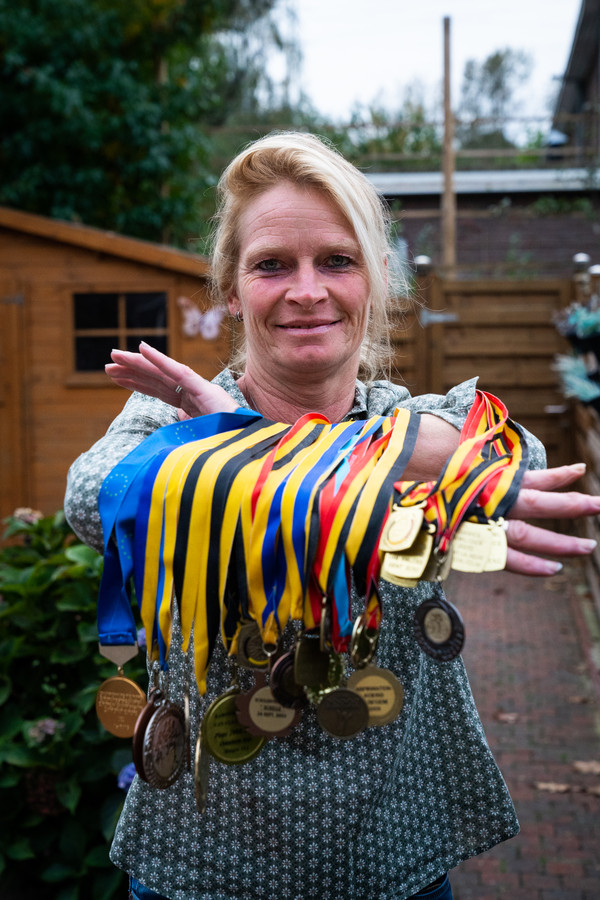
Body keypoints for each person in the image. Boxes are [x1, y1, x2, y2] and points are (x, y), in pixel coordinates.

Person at [64, 132, 600, 900]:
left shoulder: (415, 415)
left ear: (377, 281)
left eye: (337, 261)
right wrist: (362, 476)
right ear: (230, 289)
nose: (306, 290)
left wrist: (251, 456)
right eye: (272, 264)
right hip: (203, 859)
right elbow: (95, 498)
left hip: (397, 854)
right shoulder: (164, 418)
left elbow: (517, 458)